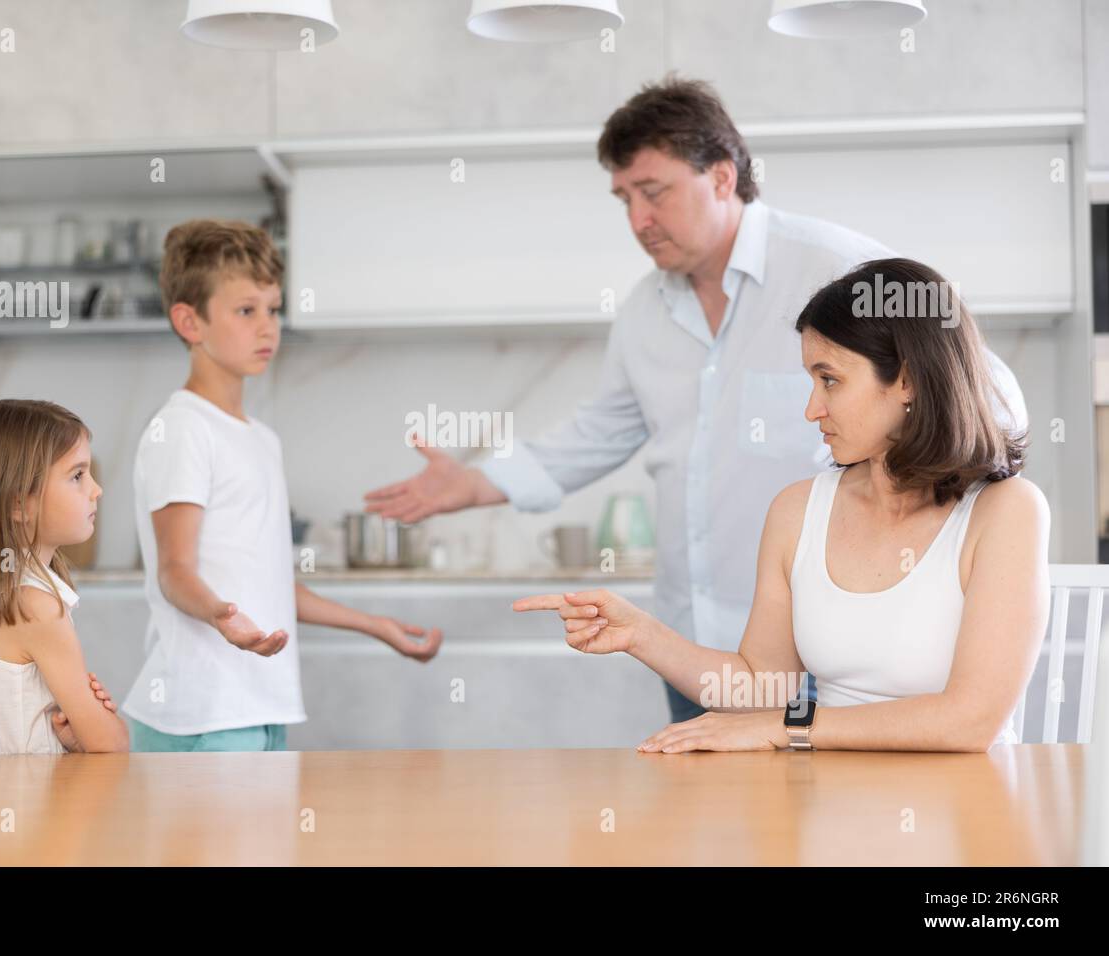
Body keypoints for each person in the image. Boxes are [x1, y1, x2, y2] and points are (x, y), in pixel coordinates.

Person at [364, 76, 1027, 725]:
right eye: (623, 199)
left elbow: (983, 396)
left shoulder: (834, 271)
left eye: (653, 192)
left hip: (833, 655)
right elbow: (596, 434)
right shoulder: (643, 315)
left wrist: (913, 502)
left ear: (721, 177)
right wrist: (475, 482)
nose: (638, 220)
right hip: (701, 648)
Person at [514, 259, 1049, 753]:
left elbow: (971, 721)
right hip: (831, 803)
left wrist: (790, 728)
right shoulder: (797, 511)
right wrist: (643, 635)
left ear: (906, 380)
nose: (812, 407)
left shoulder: (1005, 512)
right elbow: (762, 686)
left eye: (830, 380)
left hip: (967, 814)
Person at [121, 219, 443, 753]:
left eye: (273, 309)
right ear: (189, 321)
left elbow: (268, 588)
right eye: (246, 311)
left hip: (261, 704)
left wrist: (374, 625)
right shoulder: (182, 428)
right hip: (203, 712)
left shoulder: (261, 439)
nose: (268, 327)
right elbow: (174, 573)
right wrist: (224, 617)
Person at [0, 397, 128, 755]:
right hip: (31, 810)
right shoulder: (34, 605)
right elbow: (110, 746)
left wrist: (68, 737)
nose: (97, 489)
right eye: (78, 476)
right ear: (19, 504)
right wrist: (100, 723)